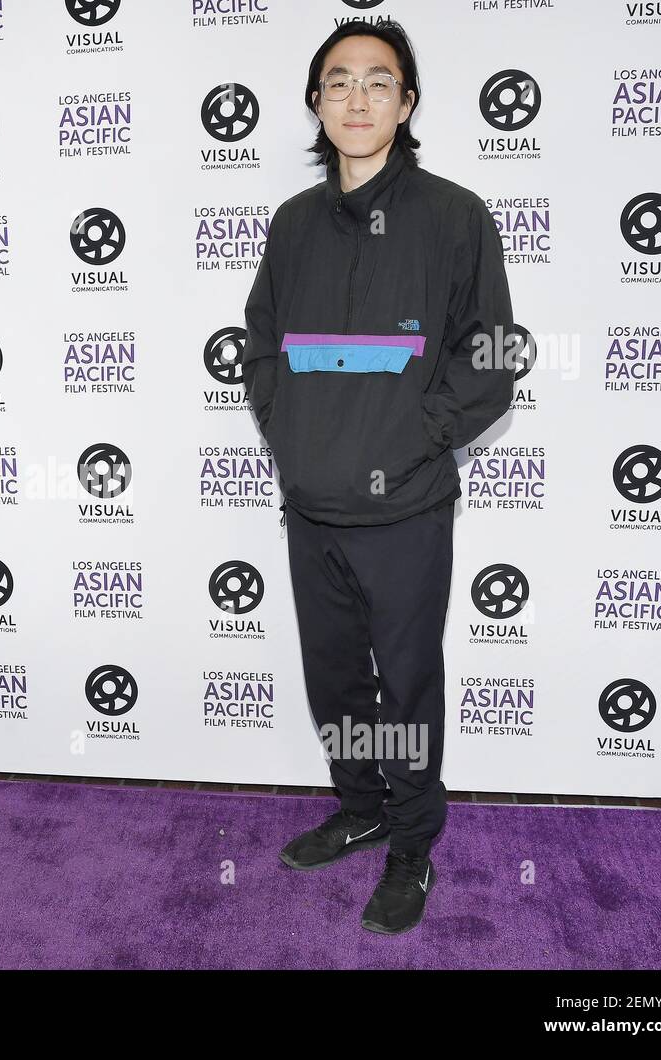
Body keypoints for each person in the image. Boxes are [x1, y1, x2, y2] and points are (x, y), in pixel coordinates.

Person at [241, 18, 517, 934]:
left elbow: (490, 355)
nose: (357, 98)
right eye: (338, 82)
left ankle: (410, 846)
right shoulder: (291, 224)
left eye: (378, 82)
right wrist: (289, 433)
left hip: (405, 510)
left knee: (405, 686)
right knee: (335, 681)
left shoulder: (454, 215)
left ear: (407, 102)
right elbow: (262, 347)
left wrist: (415, 436)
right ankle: (359, 808)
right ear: (316, 101)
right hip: (311, 507)